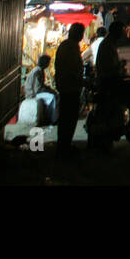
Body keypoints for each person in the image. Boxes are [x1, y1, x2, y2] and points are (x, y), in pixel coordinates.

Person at [96, 21, 130, 133]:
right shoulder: (108, 45)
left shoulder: (109, 43)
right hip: (109, 82)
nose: (124, 33)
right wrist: (120, 66)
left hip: (107, 80)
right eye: (122, 31)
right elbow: (110, 67)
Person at [53, 23, 85, 158]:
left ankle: (64, 145)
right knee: (69, 118)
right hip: (69, 88)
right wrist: (82, 81)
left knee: (66, 118)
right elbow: (71, 71)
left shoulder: (65, 45)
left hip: (65, 87)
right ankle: (64, 147)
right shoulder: (70, 47)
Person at [25, 53, 59, 125]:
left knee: (54, 95)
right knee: (52, 97)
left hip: (37, 92)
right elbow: (38, 89)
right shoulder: (37, 71)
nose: (49, 64)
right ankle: (53, 119)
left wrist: (49, 89)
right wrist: (50, 91)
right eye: (48, 62)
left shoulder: (40, 70)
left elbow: (41, 85)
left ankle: (51, 116)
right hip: (33, 93)